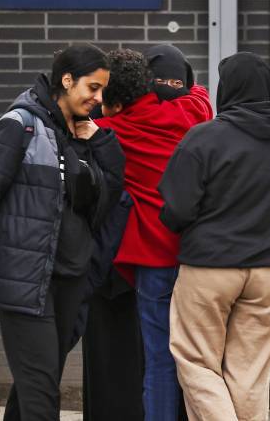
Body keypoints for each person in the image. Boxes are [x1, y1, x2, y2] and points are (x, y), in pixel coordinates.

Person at [0, 43, 127, 421]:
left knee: (36, 384)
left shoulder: (79, 135)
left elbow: (109, 197)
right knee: (42, 392)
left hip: (69, 283)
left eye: (102, 90)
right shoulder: (20, 126)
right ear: (67, 79)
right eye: (92, 88)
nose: (98, 98)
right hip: (26, 285)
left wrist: (99, 140)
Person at [159, 52, 270, 421]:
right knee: (250, 374)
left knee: (197, 361)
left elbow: (177, 209)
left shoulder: (203, 137)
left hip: (210, 266)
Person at [91, 45, 212, 421]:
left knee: (158, 356)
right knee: (200, 356)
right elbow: (202, 95)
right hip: (196, 256)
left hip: (151, 259)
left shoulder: (109, 131)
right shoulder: (189, 112)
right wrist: (177, 87)